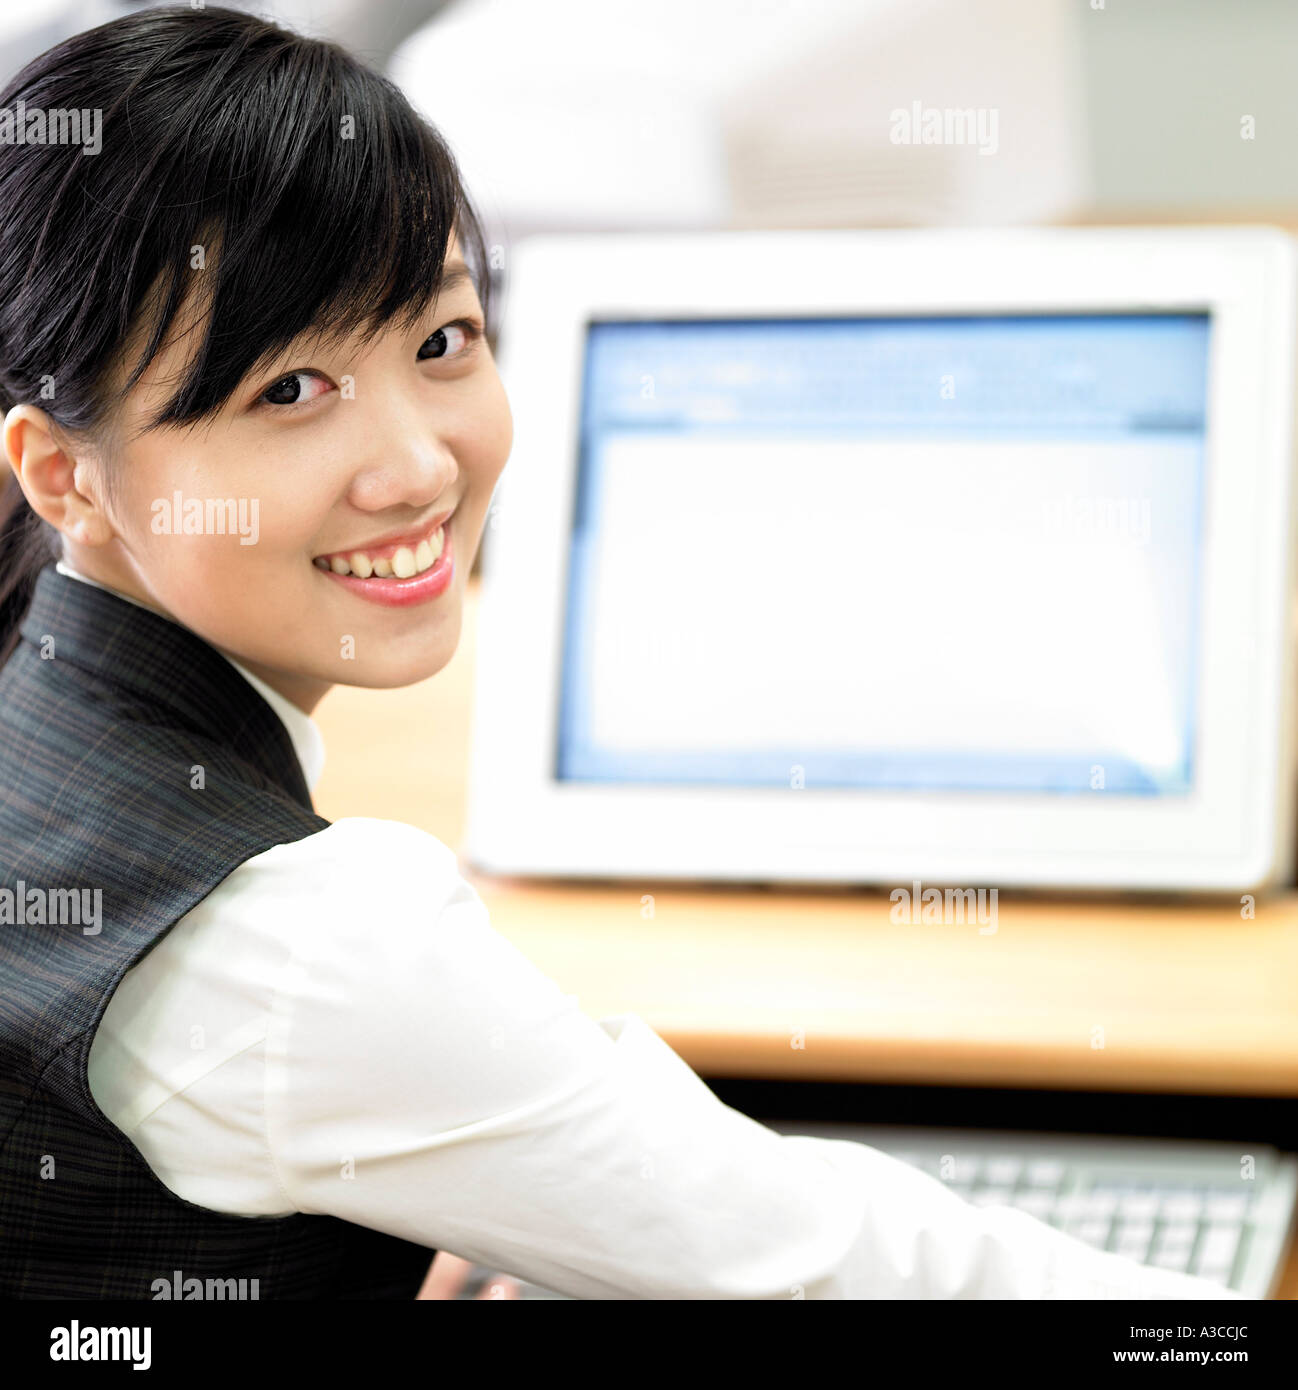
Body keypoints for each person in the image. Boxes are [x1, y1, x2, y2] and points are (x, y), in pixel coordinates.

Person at [0, 5, 1240, 1301]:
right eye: (289, 391)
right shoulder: (302, 944)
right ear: (65, 475)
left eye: (440, 342)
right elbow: (833, 1264)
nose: (421, 464)